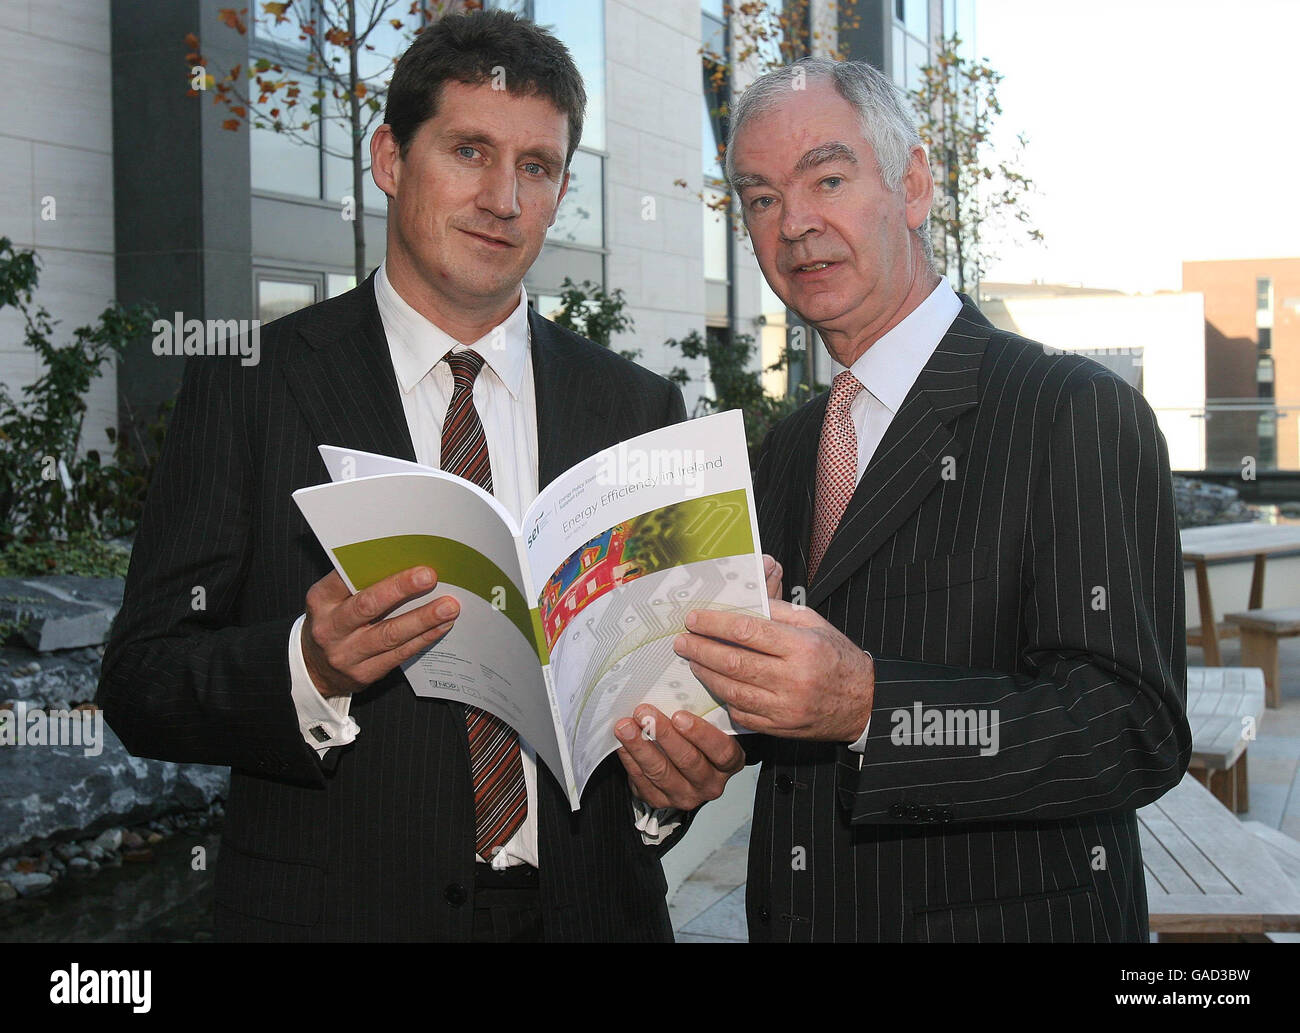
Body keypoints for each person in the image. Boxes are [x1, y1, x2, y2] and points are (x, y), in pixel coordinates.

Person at [97, 9, 742, 943]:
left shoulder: (635, 410)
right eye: (470, 151)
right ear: (390, 158)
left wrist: (669, 787)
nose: (504, 199)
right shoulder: (248, 387)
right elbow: (139, 678)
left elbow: (663, 706)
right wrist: (307, 666)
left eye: (537, 167)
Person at [638, 57, 1191, 942]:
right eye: (762, 199)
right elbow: (779, 730)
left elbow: (1129, 730)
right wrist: (677, 765)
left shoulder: (1072, 412)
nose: (797, 225)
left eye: (828, 177)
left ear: (914, 183)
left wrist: (872, 709)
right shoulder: (786, 449)